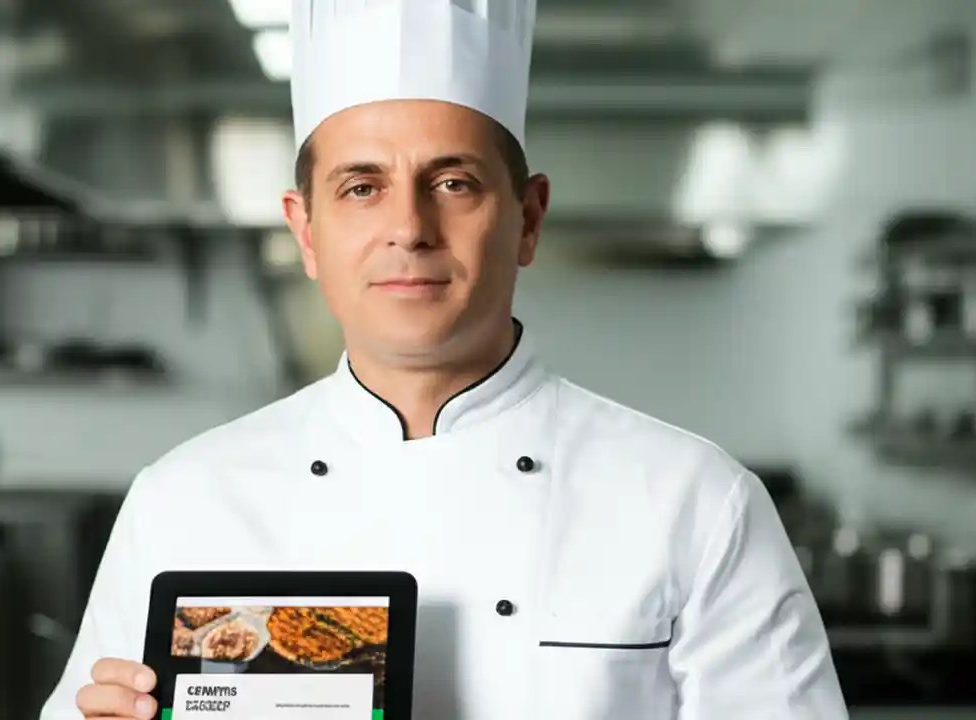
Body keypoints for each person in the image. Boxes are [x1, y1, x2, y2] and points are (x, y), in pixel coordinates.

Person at [42, 0, 848, 717]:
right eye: (362, 187)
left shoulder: (696, 505)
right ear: (307, 231)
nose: (410, 227)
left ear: (528, 219)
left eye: (454, 182)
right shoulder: (183, 502)